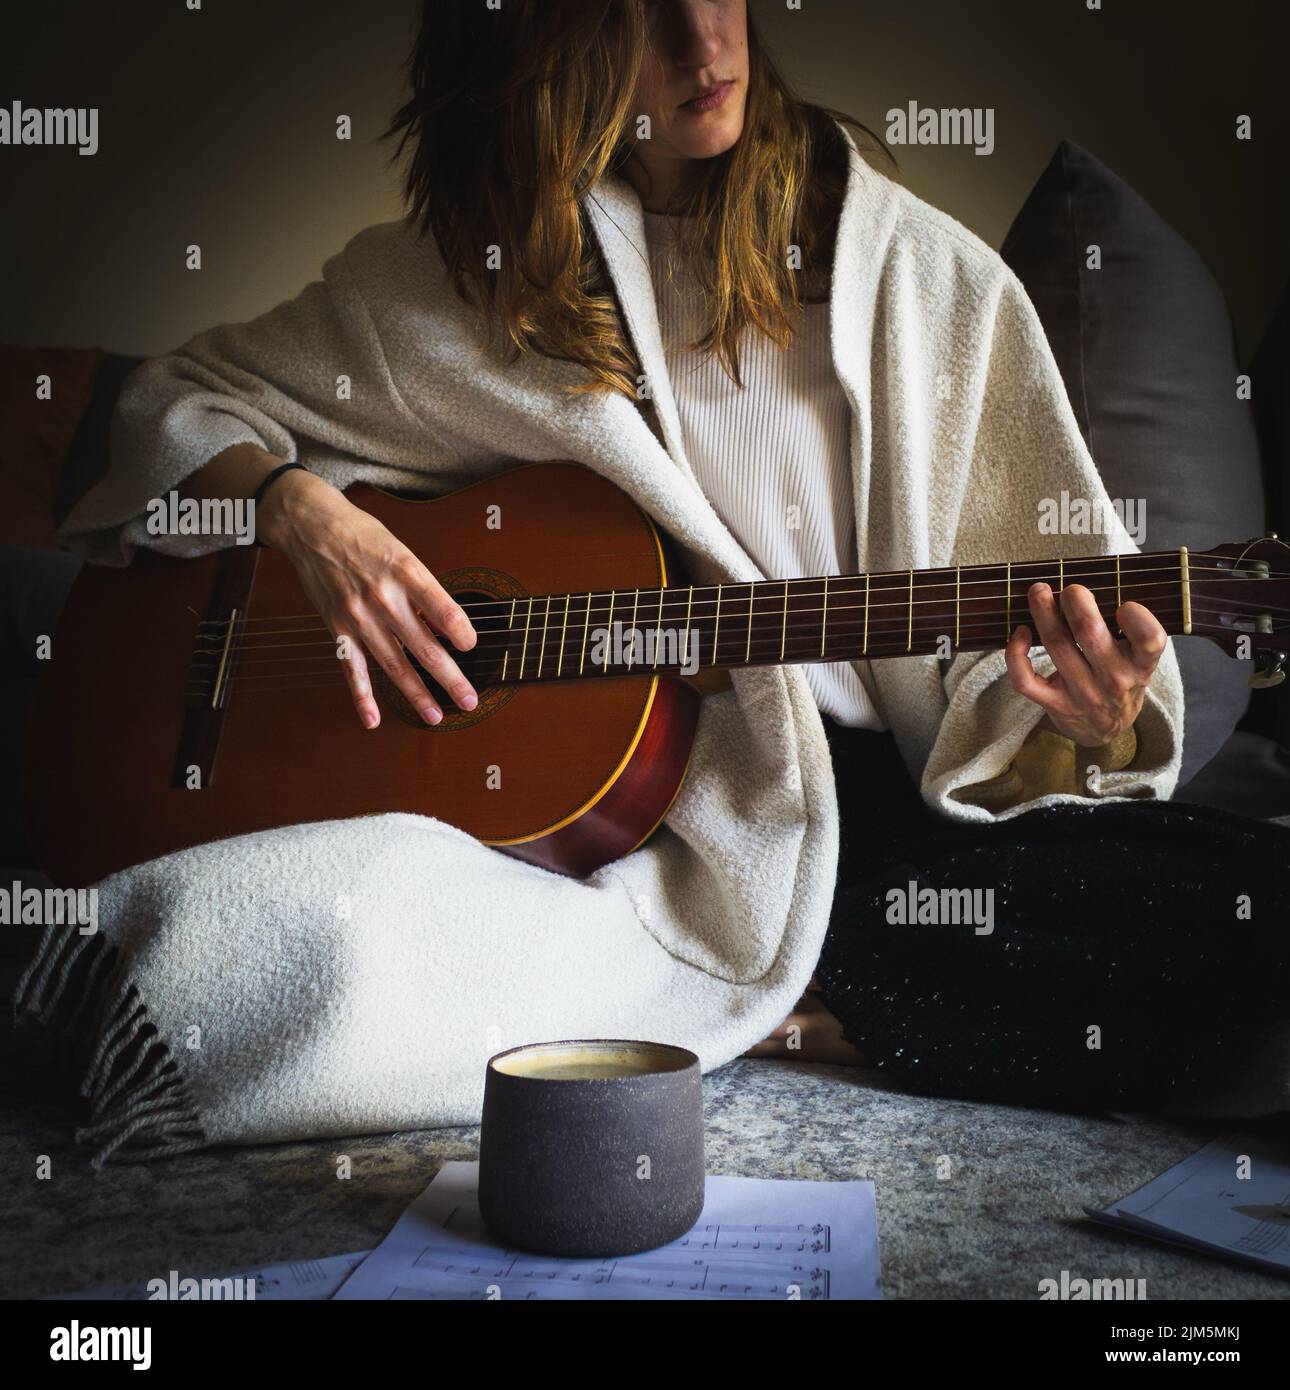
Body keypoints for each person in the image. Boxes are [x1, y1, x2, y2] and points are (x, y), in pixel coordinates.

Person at [49, 0, 1290, 1116]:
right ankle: (768, 1003)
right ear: (538, 48)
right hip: (642, 830)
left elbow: (1038, 705)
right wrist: (308, 517)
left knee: (1248, 919)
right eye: (637, 16)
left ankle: (770, 1009)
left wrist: (1092, 715)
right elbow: (171, 404)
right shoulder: (454, 295)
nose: (706, 43)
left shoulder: (926, 289)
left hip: (855, 819)